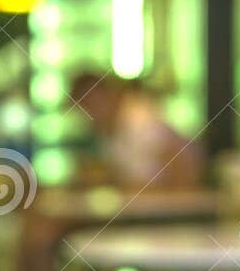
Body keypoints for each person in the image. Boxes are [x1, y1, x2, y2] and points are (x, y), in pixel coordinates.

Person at [70, 73, 204, 192]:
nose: (88, 113)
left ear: (106, 94)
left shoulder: (141, 119)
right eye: (83, 107)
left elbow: (183, 168)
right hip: (139, 209)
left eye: (91, 103)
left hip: (164, 211)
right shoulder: (107, 131)